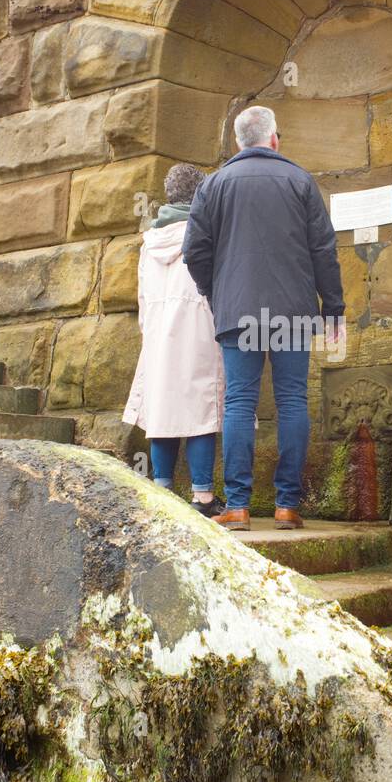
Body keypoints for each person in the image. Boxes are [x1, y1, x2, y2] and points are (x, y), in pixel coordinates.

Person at [183, 105, 345, 532]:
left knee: (239, 401)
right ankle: (286, 506)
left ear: (239, 141)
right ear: (274, 138)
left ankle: (237, 506)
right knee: (293, 400)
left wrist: (215, 293)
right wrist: (335, 308)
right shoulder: (300, 182)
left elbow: (194, 252)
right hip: (292, 309)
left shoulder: (213, 185)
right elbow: (324, 251)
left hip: (237, 310)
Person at [123, 163, 224, 517]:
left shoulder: (148, 243)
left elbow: (142, 298)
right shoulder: (206, 233)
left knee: (161, 411)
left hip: (157, 333)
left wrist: (149, 332)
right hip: (198, 328)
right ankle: (203, 498)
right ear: (200, 195)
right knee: (200, 410)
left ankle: (162, 490)